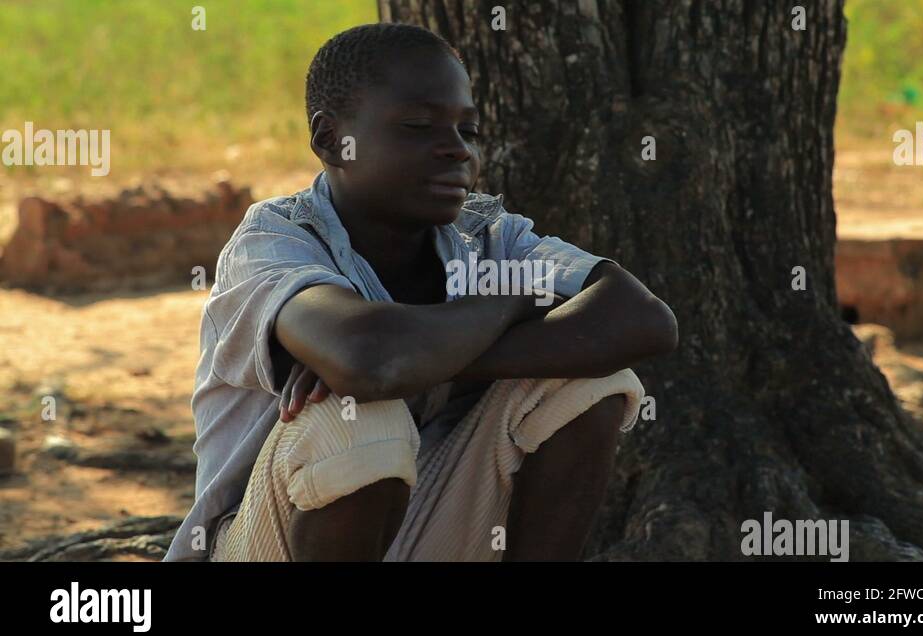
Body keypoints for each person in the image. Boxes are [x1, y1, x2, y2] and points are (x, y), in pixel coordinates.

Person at [162, 22, 677, 562]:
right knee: (359, 418)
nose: (456, 151)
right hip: (265, 542)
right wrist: (514, 302)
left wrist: (431, 356)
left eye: (468, 131)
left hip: (422, 526)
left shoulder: (485, 235)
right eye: (416, 126)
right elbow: (370, 361)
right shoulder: (275, 240)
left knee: (586, 381)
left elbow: (640, 319)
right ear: (331, 139)